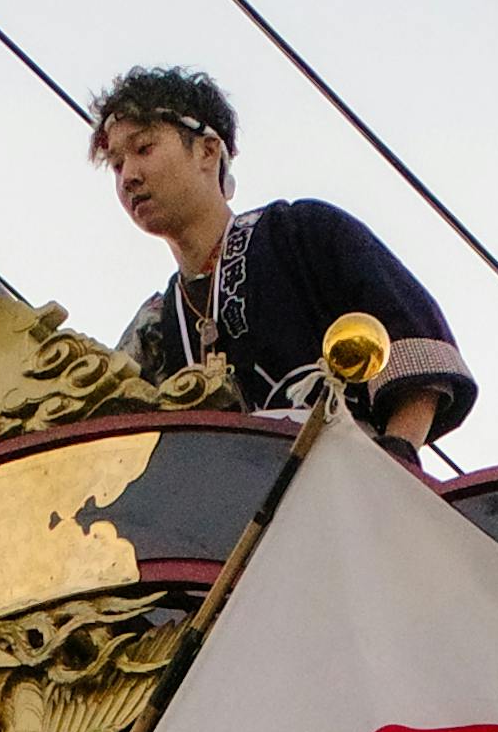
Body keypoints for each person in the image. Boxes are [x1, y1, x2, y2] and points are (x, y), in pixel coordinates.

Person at [93, 64, 475, 447]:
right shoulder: (157, 327)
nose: (129, 176)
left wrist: (397, 454)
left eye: (144, 149)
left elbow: (415, 343)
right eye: (117, 164)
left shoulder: (301, 232)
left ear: (208, 151)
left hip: (347, 475)